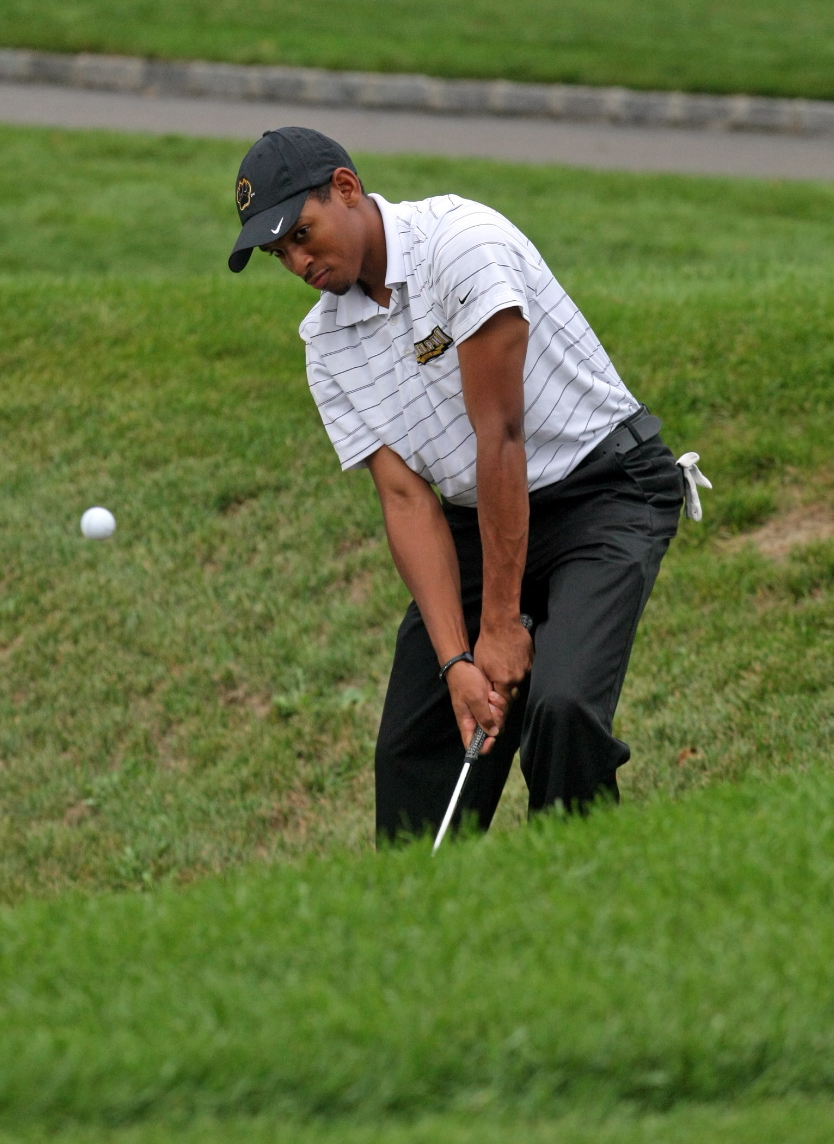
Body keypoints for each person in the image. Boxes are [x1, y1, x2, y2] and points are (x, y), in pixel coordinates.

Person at [228, 126, 705, 842]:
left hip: (602, 492)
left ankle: (584, 885)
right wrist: (457, 658)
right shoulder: (325, 345)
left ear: (347, 189)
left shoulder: (461, 245)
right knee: (413, 750)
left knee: (563, 709)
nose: (298, 262)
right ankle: (420, 911)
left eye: (301, 234)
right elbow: (406, 500)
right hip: (474, 519)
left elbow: (501, 437)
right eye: (279, 254)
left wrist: (503, 625)